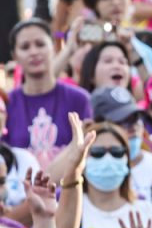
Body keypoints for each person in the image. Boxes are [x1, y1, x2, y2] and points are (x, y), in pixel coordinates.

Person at [4, 21, 91, 164]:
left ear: (54, 48)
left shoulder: (80, 99)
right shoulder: (6, 103)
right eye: (25, 47)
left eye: (40, 44)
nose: (34, 52)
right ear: (15, 56)